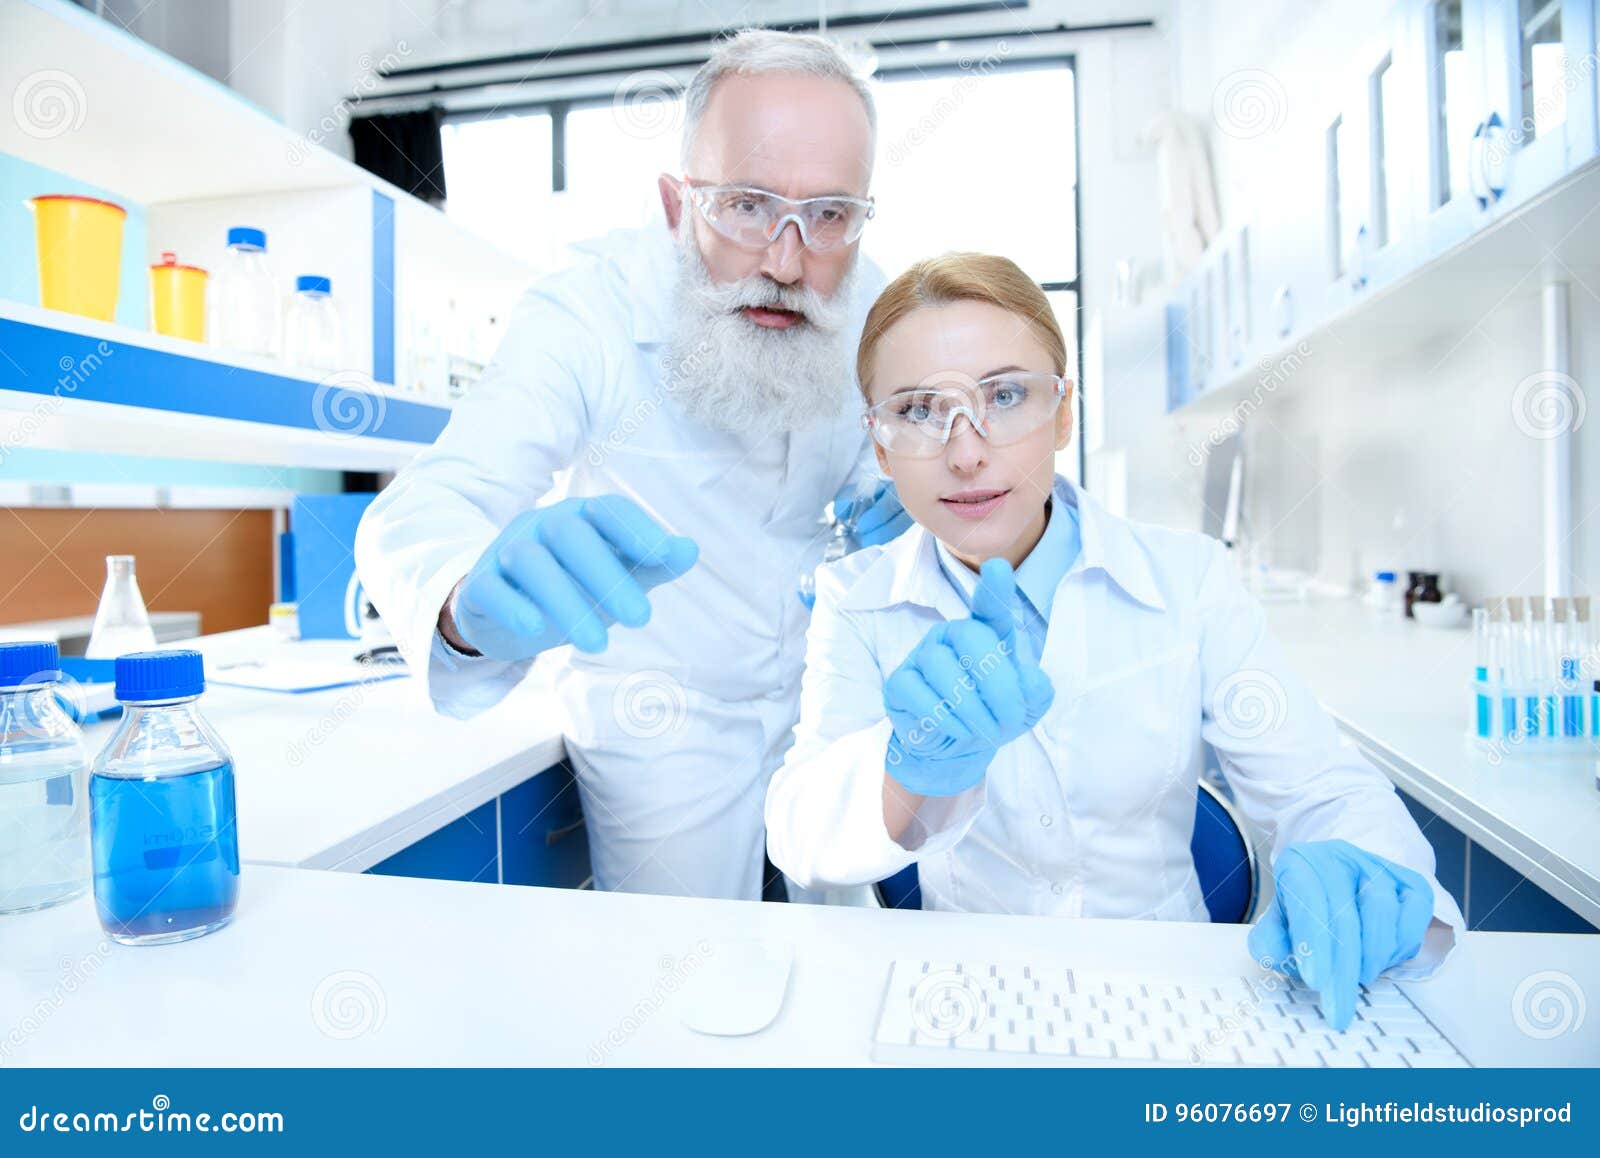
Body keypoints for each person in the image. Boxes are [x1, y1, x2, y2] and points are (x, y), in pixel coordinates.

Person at [764, 252, 1464, 1029]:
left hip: (1180, 1007)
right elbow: (799, 830)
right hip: (967, 1005)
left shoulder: (1189, 580)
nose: (965, 452)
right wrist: (907, 770)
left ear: (1064, 413)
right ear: (882, 445)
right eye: (921, 410)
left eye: (1004, 395)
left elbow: (1321, 790)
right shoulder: (856, 600)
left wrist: (1370, 877)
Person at [355, 30, 908, 902]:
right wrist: (464, 606)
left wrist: (903, 508)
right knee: (681, 983)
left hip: (823, 703)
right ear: (674, 204)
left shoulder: (868, 299)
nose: (788, 259)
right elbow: (432, 502)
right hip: (662, 720)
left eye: (830, 214)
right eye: (748, 205)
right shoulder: (588, 310)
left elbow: (880, 474)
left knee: (840, 959)